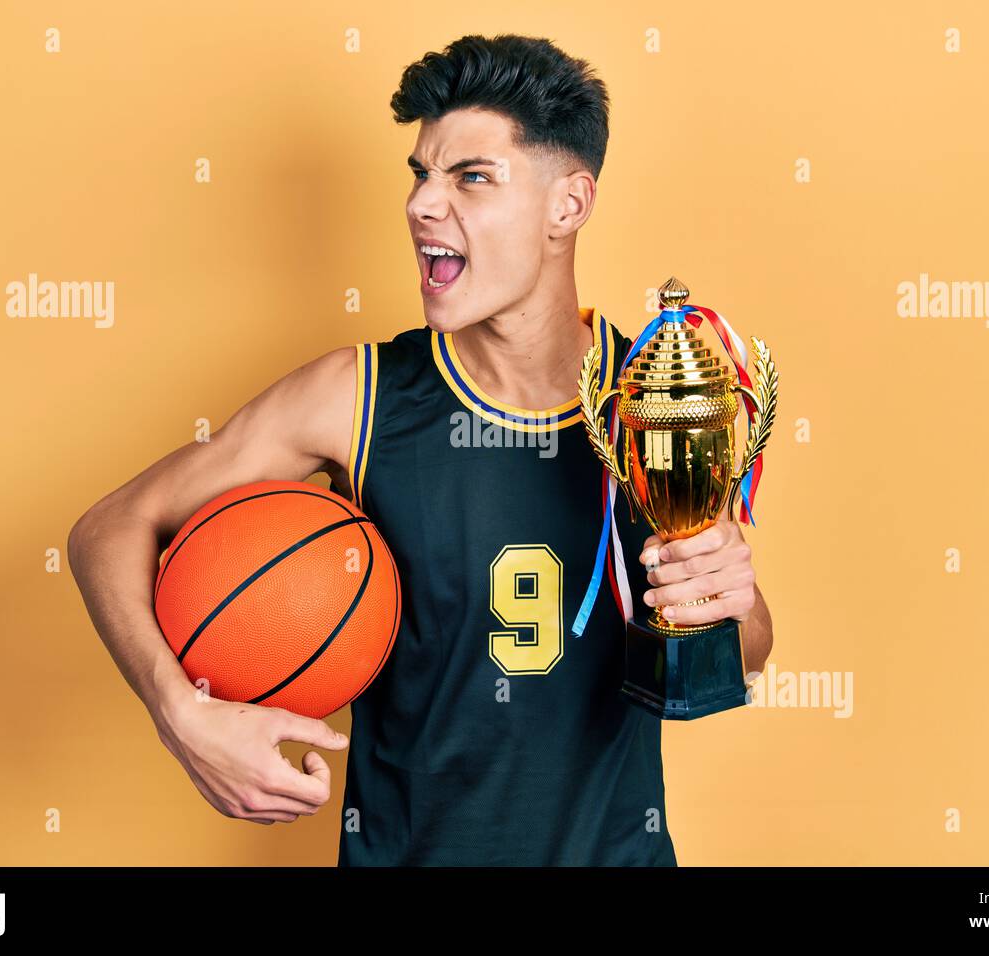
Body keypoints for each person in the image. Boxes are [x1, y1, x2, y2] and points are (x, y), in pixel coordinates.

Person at [68, 33, 773, 866]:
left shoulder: (656, 394)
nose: (422, 205)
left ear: (568, 206)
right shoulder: (358, 398)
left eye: (471, 177)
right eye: (420, 174)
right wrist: (181, 714)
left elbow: (740, 647)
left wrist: (733, 600)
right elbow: (109, 530)